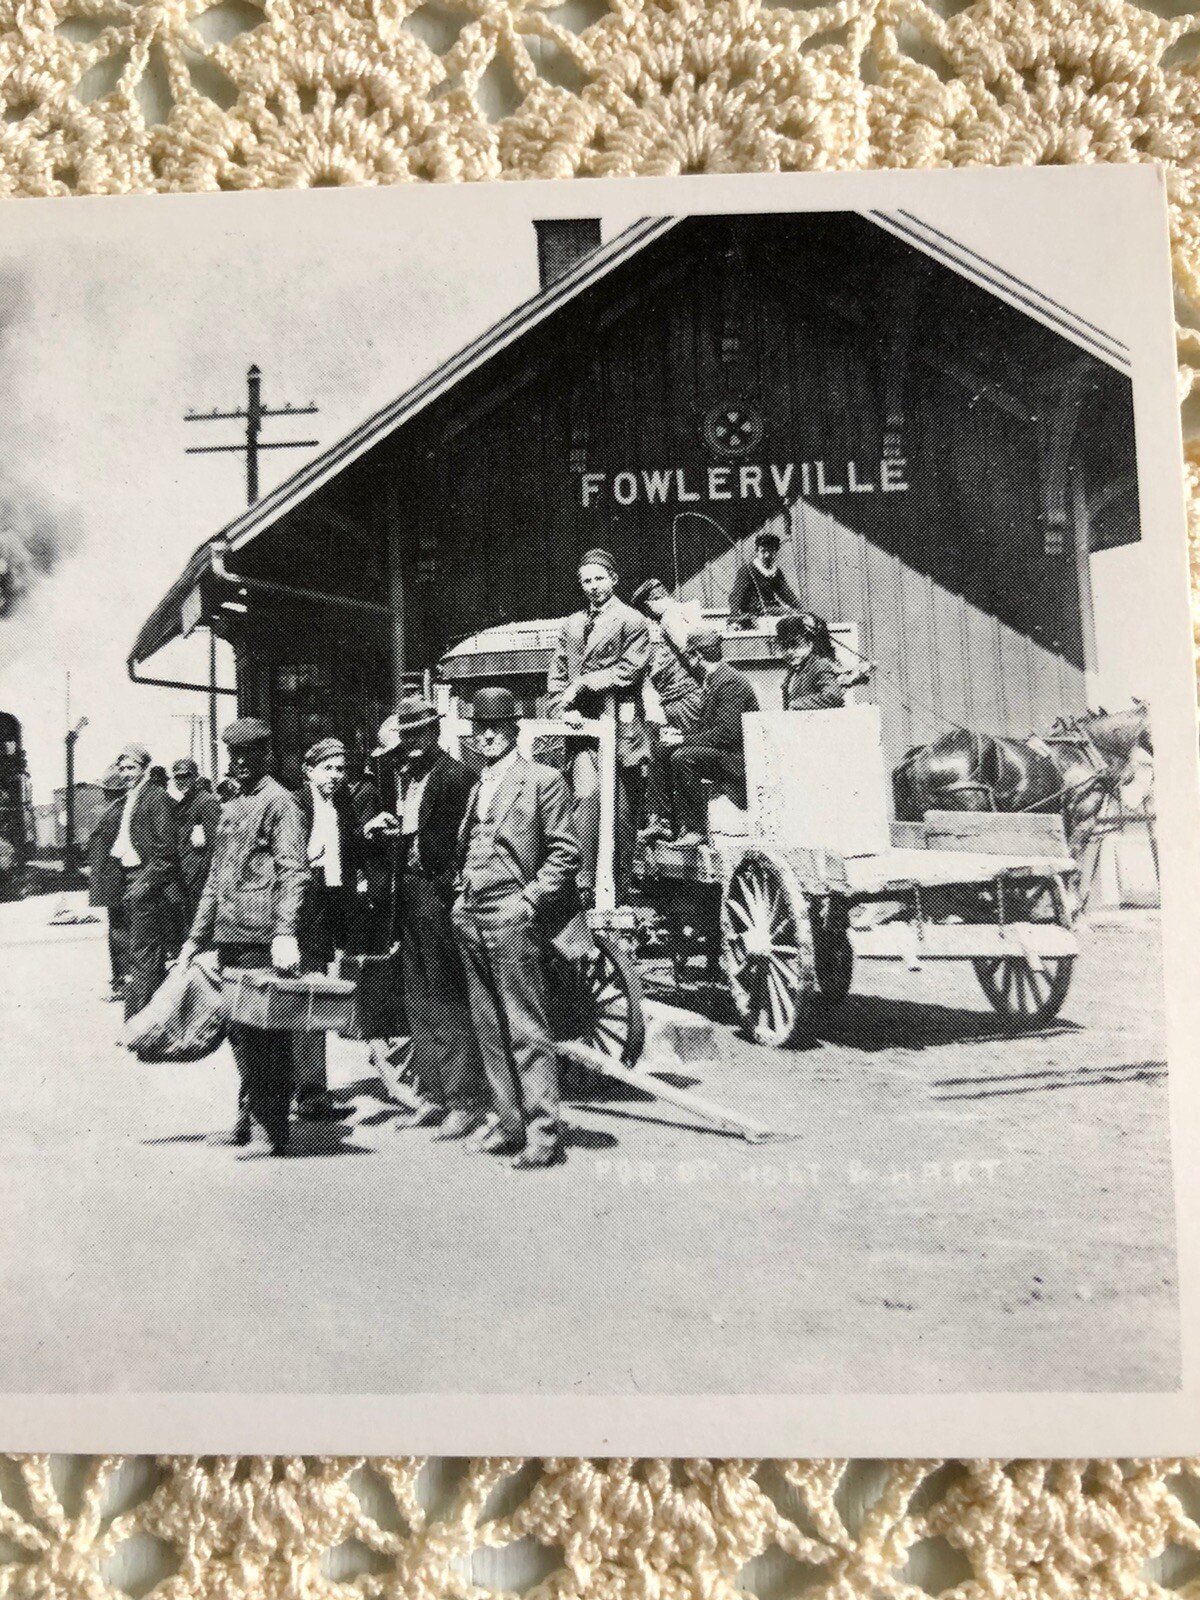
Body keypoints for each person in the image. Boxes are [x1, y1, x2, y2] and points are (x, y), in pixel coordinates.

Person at [451, 687, 581, 1169]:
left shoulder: (542, 780)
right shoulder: (478, 784)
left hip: (511, 912)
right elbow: (470, 845)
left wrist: (528, 902)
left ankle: (543, 1134)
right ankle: (509, 1124)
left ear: (514, 729)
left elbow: (565, 852)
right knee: (488, 1027)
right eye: (479, 728)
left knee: (525, 1027)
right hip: (471, 913)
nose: (487, 736)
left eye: (497, 727)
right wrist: (460, 900)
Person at [178, 719, 308, 1156]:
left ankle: (271, 1130)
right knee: (239, 1032)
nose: (240, 762)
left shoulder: (281, 803)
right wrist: (196, 937)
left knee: (265, 1034)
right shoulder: (233, 804)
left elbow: (293, 871)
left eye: (249, 754)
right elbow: (215, 878)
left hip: (262, 937)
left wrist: (286, 932)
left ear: (266, 754)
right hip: (231, 935)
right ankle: (248, 1119)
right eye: (234, 754)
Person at [361, 695, 485, 1139]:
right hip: (409, 893)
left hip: (438, 894)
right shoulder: (405, 777)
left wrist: (450, 888)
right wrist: (389, 833)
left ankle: (464, 1102)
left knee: (447, 997)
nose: (413, 742)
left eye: (421, 733)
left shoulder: (458, 776)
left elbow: (468, 839)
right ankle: (432, 1095)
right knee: (418, 998)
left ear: (436, 732)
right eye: (408, 734)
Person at [548, 548, 650, 903]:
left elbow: (629, 669)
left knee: (621, 811)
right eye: (586, 581)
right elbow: (558, 676)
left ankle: (619, 891)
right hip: (583, 734)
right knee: (587, 796)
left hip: (622, 730)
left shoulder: (632, 620)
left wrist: (584, 683)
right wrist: (562, 709)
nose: (593, 586)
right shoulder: (571, 625)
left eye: (599, 579)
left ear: (614, 580)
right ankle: (583, 886)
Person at [293, 737, 359, 1125]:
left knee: (311, 1000)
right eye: (328, 769)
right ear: (309, 770)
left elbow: (344, 853)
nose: (336, 776)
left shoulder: (341, 804)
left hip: (326, 908)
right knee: (303, 1001)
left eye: (340, 769)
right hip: (300, 910)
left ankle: (309, 1092)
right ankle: (309, 1094)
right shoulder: (296, 804)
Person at [652, 631, 759, 844]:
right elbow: (710, 730)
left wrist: (683, 740)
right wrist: (680, 735)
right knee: (660, 748)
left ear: (697, 656)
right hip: (722, 752)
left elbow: (728, 734)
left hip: (736, 758)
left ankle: (696, 829)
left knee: (683, 757)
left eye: (689, 656)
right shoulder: (714, 679)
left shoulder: (729, 682)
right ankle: (663, 822)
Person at [111, 743, 181, 1022]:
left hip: (147, 884)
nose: (126, 773)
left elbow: (166, 851)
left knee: (143, 954)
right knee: (140, 954)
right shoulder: (132, 797)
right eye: (122, 768)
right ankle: (147, 1021)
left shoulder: (156, 797)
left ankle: (138, 1023)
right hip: (131, 881)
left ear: (145, 769)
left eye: (132, 768)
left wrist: (143, 886)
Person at [630, 578, 705, 734]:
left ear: (650, 604)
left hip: (683, 695)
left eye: (647, 611)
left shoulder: (669, 618)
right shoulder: (678, 612)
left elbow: (689, 653)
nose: (649, 617)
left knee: (691, 738)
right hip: (679, 695)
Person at [87, 764, 130, 1002]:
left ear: (106, 791)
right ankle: (122, 979)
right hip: (115, 879)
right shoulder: (119, 811)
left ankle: (121, 980)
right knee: (120, 930)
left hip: (111, 880)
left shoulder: (107, 812)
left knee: (118, 931)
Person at [171, 759, 221, 934]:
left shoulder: (206, 801)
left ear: (195, 777)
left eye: (186, 776)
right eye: (177, 777)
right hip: (185, 872)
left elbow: (215, 843)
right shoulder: (186, 802)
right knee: (190, 920)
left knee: (201, 922)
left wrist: (203, 874)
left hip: (199, 874)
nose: (182, 781)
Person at [729, 530, 802, 624]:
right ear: (757, 551)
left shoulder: (776, 572)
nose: (767, 555)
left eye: (771, 551)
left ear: (776, 552)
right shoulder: (747, 570)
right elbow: (736, 596)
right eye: (763, 551)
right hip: (754, 613)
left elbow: (786, 593)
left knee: (797, 619)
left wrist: (801, 608)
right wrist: (735, 618)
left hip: (772, 609)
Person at [777, 613, 847, 710]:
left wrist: (796, 705)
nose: (789, 652)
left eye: (795, 645)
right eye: (784, 646)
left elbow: (833, 696)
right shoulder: (793, 671)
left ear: (810, 643)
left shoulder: (820, 665)